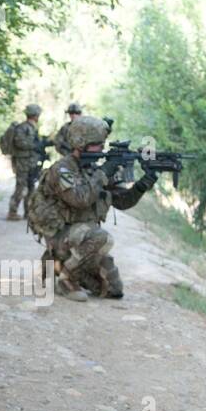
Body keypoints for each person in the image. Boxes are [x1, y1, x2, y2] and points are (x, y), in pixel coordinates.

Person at [31, 115, 158, 301]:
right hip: (61, 236)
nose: (101, 148)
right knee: (101, 237)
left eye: (102, 143)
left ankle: (55, 266)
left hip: (83, 240)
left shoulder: (93, 169)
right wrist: (104, 171)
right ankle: (66, 280)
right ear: (80, 143)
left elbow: (123, 202)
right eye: (97, 144)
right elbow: (80, 199)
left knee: (113, 289)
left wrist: (145, 182)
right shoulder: (62, 169)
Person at [7, 103, 48, 221]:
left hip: (32, 162)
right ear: (35, 114)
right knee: (21, 187)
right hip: (22, 162)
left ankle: (29, 212)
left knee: (31, 187)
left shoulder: (33, 127)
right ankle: (12, 212)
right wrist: (35, 146)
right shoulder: (23, 127)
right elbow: (19, 143)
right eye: (38, 114)